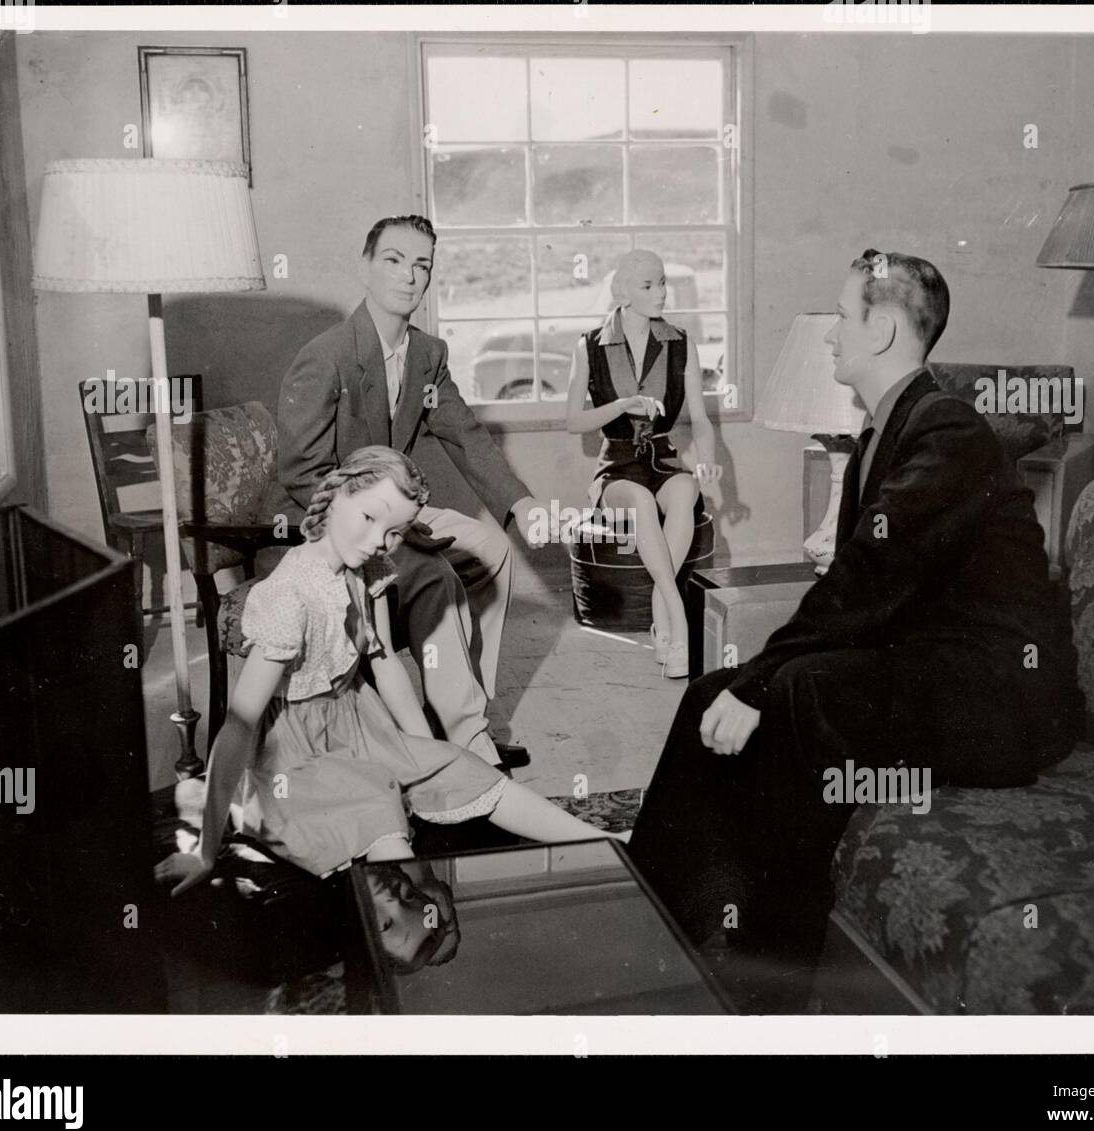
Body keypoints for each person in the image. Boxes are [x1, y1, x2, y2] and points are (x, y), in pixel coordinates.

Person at [626, 250, 1081, 1008]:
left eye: (842, 316)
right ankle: (652, 926)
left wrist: (761, 678)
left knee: (800, 692)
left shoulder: (949, 433)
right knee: (710, 691)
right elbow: (868, 588)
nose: (831, 336)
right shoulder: (888, 428)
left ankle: (768, 983)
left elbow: (866, 579)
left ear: (883, 331)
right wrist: (742, 684)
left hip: (1005, 699)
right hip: (941, 669)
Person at [155, 448, 625, 922]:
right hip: (294, 754)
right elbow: (239, 727)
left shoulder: (370, 567)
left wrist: (427, 757)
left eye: (394, 532)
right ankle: (397, 945)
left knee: (468, 771)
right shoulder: (287, 597)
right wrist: (206, 851)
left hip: (359, 720)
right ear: (338, 496)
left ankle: (612, 844)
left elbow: (386, 667)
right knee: (383, 823)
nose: (379, 541)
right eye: (369, 518)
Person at [277, 214, 551, 770]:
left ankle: (459, 709)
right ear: (365, 267)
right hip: (331, 523)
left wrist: (521, 502)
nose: (408, 276)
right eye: (393, 260)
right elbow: (302, 473)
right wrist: (379, 526)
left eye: (421, 265)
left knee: (492, 549)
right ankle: (467, 745)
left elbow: (466, 435)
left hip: (398, 514)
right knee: (432, 571)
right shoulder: (327, 356)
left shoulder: (428, 354)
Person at [564, 250, 722, 677]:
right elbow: (572, 421)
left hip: (664, 460)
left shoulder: (680, 342)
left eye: (663, 282)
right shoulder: (589, 345)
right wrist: (624, 404)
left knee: (688, 490)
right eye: (648, 285)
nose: (662, 293)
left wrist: (706, 463)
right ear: (623, 292)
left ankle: (660, 617)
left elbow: (702, 422)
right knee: (640, 502)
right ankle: (676, 614)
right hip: (616, 469)